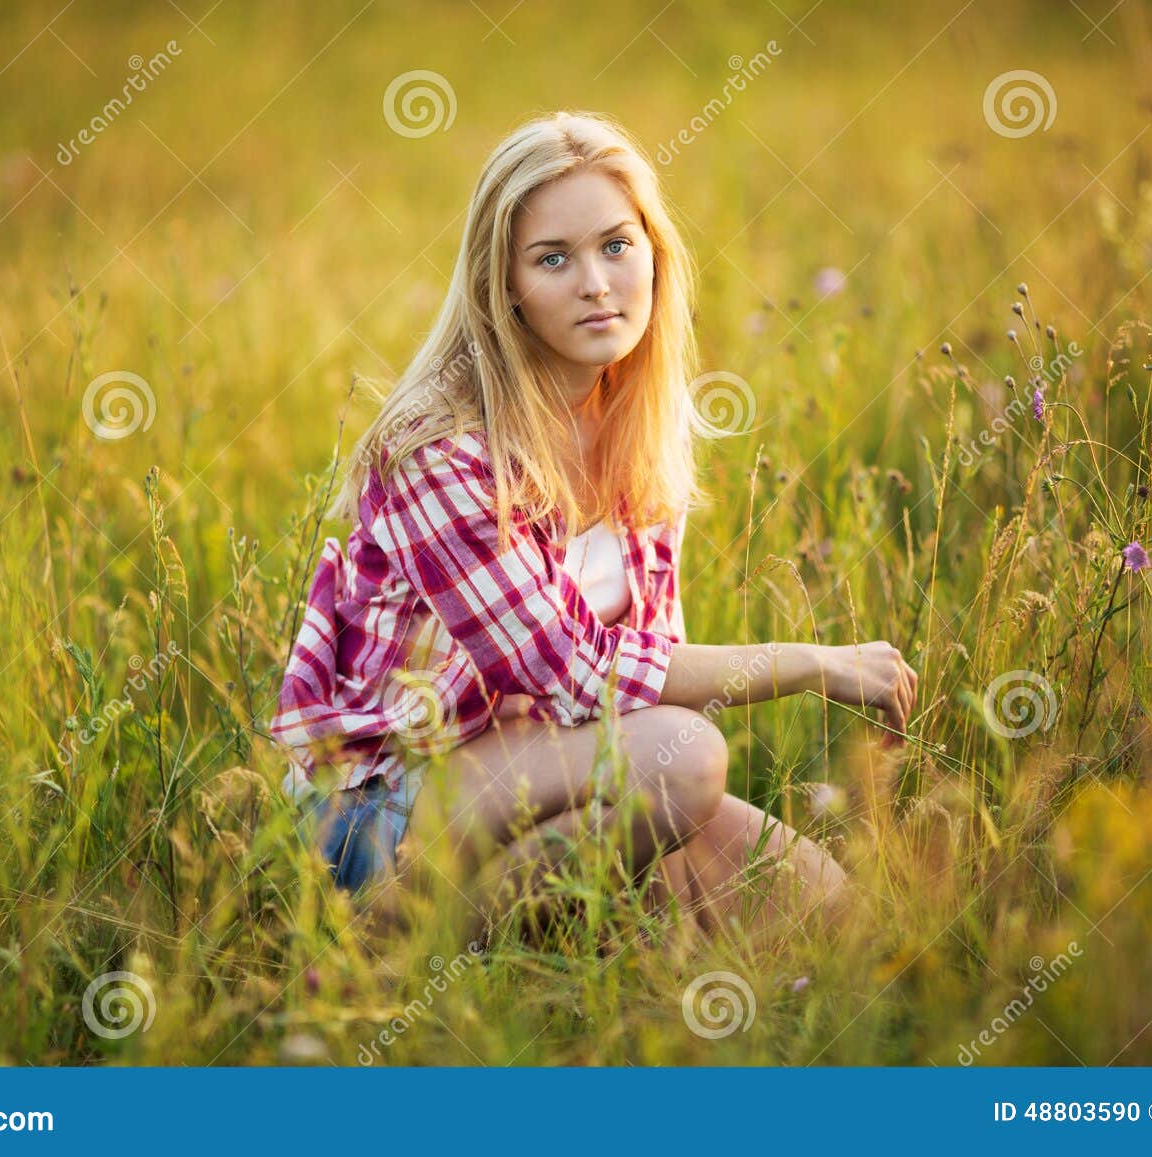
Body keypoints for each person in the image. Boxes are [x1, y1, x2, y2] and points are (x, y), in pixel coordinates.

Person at [269, 110, 917, 947]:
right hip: (375, 810)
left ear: (655, 254)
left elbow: (642, 669)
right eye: (553, 258)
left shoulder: (638, 432)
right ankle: (423, 945)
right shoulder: (441, 447)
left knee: (836, 915)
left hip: (548, 773)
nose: (597, 283)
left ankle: (582, 931)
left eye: (617, 245)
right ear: (503, 286)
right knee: (684, 756)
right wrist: (809, 663)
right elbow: (579, 673)